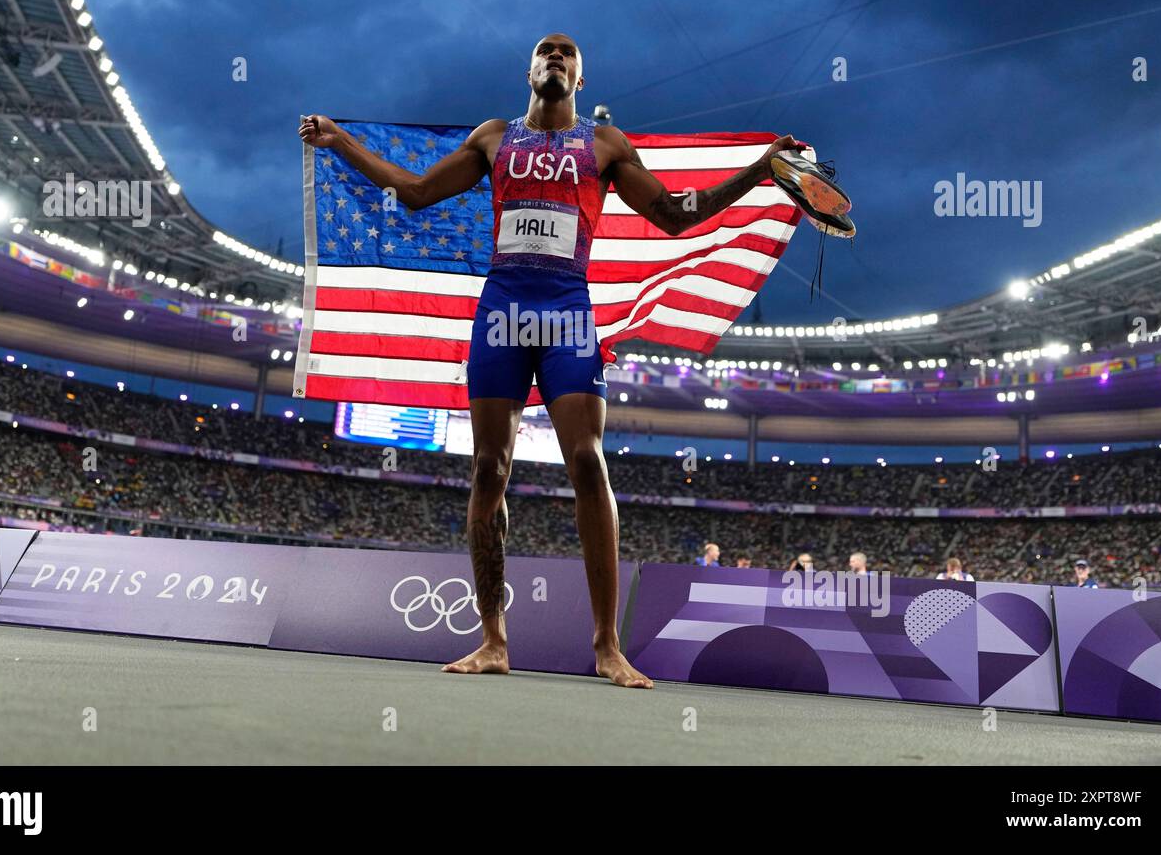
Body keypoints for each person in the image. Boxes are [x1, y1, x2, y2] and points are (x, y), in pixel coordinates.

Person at [299, 33, 818, 688]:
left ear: (579, 75)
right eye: (547, 50)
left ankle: (607, 645)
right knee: (488, 468)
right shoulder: (494, 137)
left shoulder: (604, 145)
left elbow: (675, 216)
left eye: (568, 53)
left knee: (586, 459)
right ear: (529, 69)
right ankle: (493, 639)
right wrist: (341, 141)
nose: (556, 57)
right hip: (504, 310)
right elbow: (416, 192)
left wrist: (758, 171)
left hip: (568, 311)